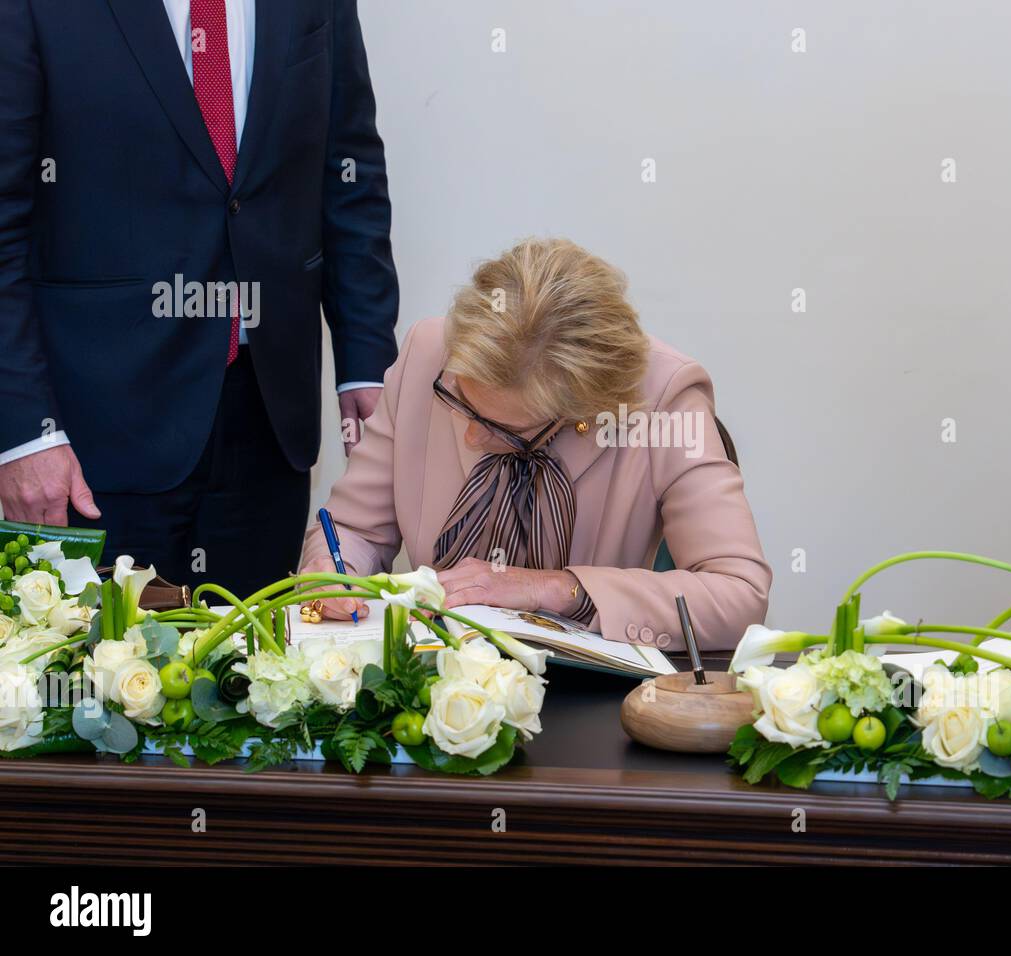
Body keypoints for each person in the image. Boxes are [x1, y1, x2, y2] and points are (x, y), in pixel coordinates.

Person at [0, 0, 398, 597]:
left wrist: (364, 365)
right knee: (97, 682)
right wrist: (24, 431)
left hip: (269, 427)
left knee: (264, 678)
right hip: (90, 437)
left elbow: (350, 170)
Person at [300, 238, 770, 650]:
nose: (469, 435)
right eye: (460, 401)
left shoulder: (663, 398)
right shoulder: (429, 354)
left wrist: (556, 589)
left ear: (580, 409)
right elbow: (355, 530)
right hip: (435, 677)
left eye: (505, 428)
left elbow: (738, 593)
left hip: (589, 702)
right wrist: (333, 572)